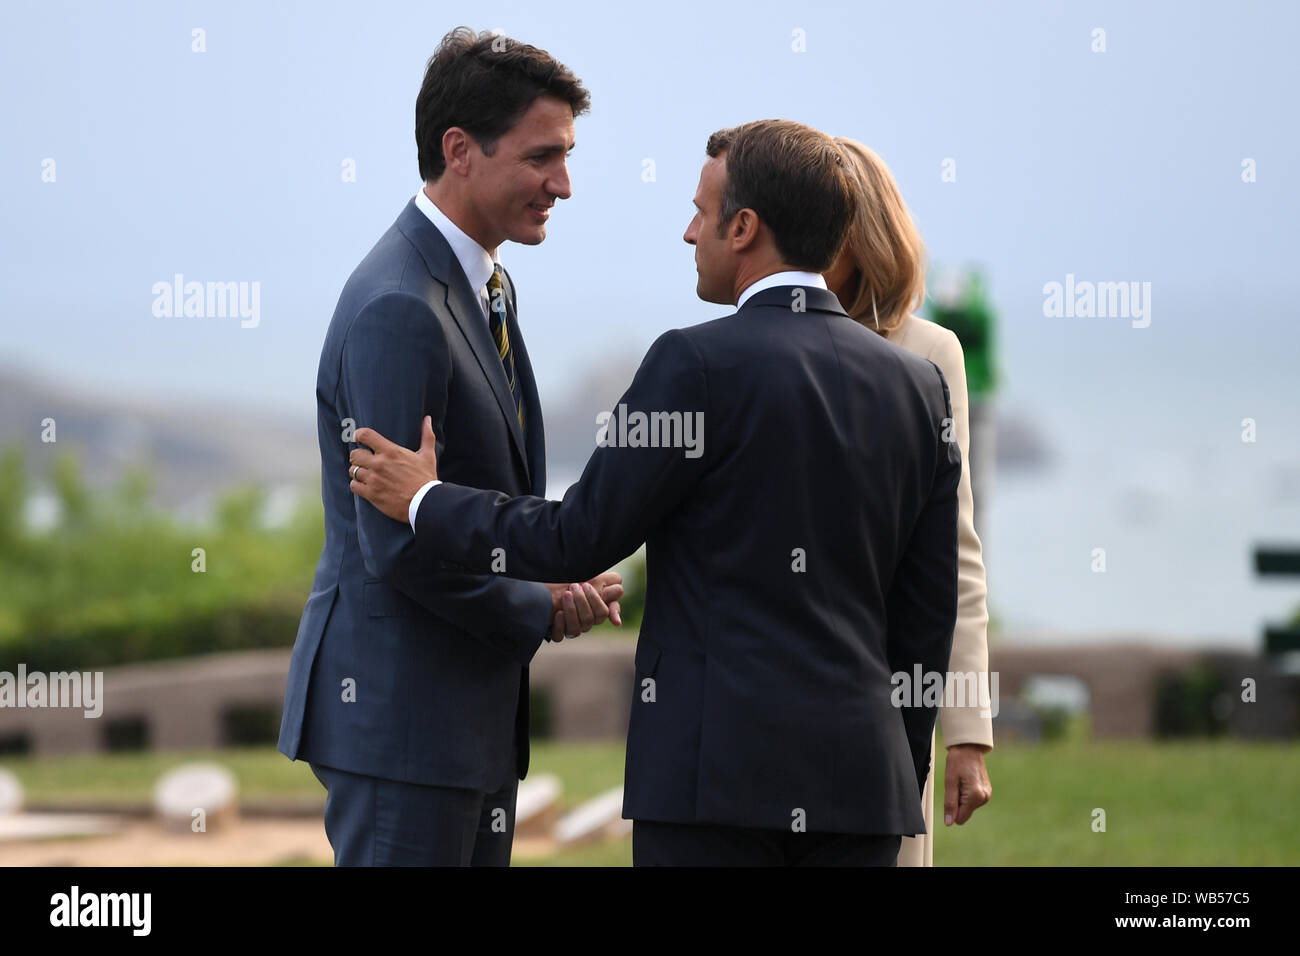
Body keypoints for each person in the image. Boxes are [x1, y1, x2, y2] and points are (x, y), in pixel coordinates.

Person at [347, 119, 962, 866]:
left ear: (744, 228)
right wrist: (902, 769)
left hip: (711, 787)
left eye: (701, 212)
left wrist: (424, 498)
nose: (687, 232)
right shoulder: (919, 387)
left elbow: (578, 535)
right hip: (866, 792)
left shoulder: (692, 366)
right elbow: (928, 609)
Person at [276, 27, 624, 867]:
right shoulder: (400, 305)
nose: (564, 185)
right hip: (404, 729)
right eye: (544, 157)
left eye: (568, 157)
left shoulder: (482, 285)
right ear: (459, 150)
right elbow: (394, 545)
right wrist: (541, 606)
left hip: (455, 730)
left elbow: (465, 500)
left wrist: (547, 571)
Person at [822, 138, 994, 866]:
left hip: (892, 699)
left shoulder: (930, 354)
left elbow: (954, 551)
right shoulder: (753, 342)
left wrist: (967, 733)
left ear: (860, 239)